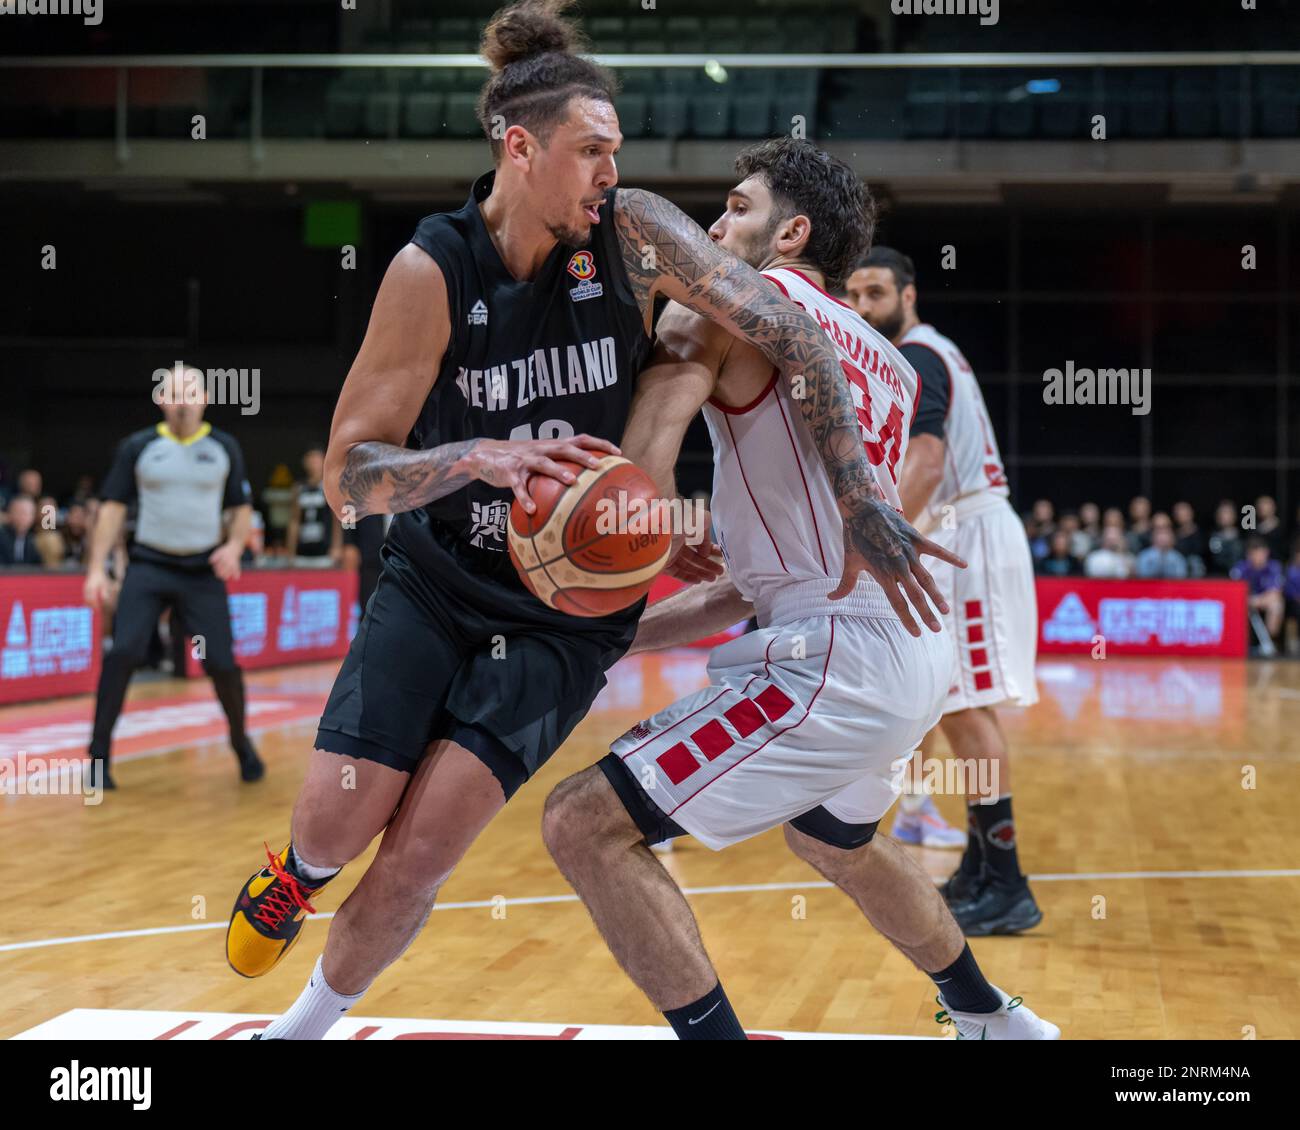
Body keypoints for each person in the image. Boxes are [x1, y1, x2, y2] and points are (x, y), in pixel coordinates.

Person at [224, 1, 958, 1039]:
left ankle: (298, 1026)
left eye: (616, 150)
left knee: (424, 851)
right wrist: (471, 456)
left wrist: (854, 500)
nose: (611, 171)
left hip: (570, 611)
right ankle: (295, 873)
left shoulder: (634, 232)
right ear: (518, 148)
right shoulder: (431, 269)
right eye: (591, 151)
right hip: (441, 575)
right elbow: (353, 472)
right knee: (339, 824)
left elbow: (798, 334)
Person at [542, 138, 1054, 1040]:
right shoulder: (890, 366)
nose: (717, 223)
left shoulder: (751, 306)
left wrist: (631, 506)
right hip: (897, 651)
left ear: (793, 234)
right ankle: (993, 1016)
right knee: (833, 840)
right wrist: (619, 639)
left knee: (582, 823)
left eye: (738, 207)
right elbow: (759, 585)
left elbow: (648, 446)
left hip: (834, 663)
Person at [847, 245, 1043, 936]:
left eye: (877, 293)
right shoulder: (924, 356)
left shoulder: (922, 358)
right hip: (965, 537)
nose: (865, 307)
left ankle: (1009, 881)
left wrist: (871, 537)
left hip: (973, 539)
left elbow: (926, 462)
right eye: (855, 295)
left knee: (966, 709)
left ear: (910, 296)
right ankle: (985, 868)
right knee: (952, 707)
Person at [83, 365, 263, 789]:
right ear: (161, 400)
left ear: (205, 398)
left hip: (202, 572)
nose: (182, 399)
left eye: (191, 391)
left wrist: (235, 547)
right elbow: (111, 508)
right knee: (123, 650)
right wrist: (96, 568)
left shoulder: (224, 447)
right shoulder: (138, 447)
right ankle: (98, 757)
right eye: (174, 392)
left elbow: (239, 510)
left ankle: (242, 744)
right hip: (150, 566)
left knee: (221, 662)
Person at [285, 447, 343, 563]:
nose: (314, 463)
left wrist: (337, 546)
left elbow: (337, 519)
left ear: (324, 461)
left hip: (324, 551)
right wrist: (290, 550)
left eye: (317, 459)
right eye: (311, 459)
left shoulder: (330, 487)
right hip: (302, 551)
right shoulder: (299, 488)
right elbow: (294, 521)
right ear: (305, 462)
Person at [1231, 537, 1284, 651]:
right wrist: (1249, 600)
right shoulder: (1241, 567)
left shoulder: (1274, 567)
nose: (1257, 557)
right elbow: (1233, 590)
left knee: (1276, 605)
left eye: (1260, 553)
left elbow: (1275, 593)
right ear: (1248, 555)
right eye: (1253, 554)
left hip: (1262, 601)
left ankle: (1269, 640)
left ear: (1266, 552)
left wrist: (1256, 601)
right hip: (1243, 602)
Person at [0, 494, 42, 566]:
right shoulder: (2, 537)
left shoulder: (36, 540)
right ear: (9, 514)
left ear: (33, 517)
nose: (22, 517)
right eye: (18, 512)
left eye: (26, 513)